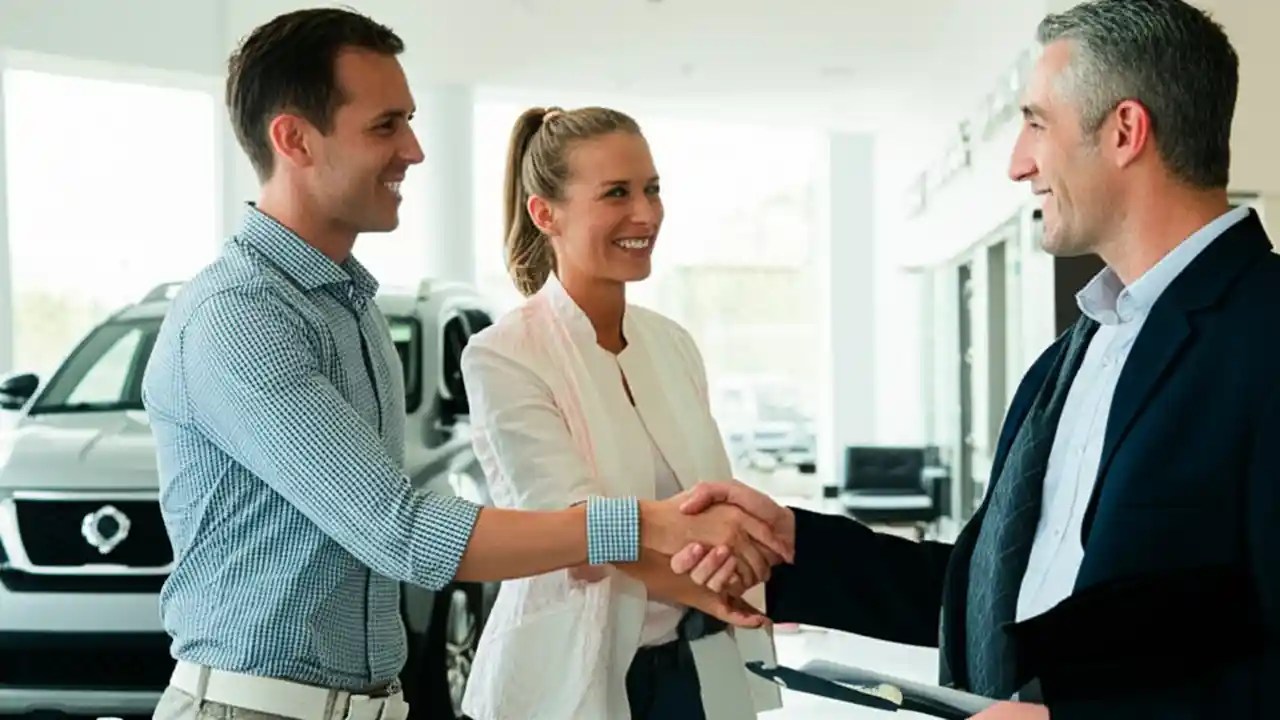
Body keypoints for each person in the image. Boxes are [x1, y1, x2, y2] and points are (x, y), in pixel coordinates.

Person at [140, 10, 791, 720]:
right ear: (294, 139)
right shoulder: (239, 318)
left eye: (411, 121)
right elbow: (403, 532)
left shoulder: (351, 307)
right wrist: (644, 524)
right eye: (386, 125)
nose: (414, 150)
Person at [673, 1, 1279, 718]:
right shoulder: (1071, 359)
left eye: (1035, 123)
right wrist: (794, 546)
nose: (1018, 163)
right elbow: (996, 591)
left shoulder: (1263, 332)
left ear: (1124, 131)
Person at [456, 105, 785, 720]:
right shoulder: (505, 355)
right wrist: (716, 591)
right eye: (616, 194)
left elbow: (710, 500)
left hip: (690, 667)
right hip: (567, 674)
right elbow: (572, 529)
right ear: (544, 213)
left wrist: (738, 574)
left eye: (652, 189)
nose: (647, 214)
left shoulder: (672, 344)